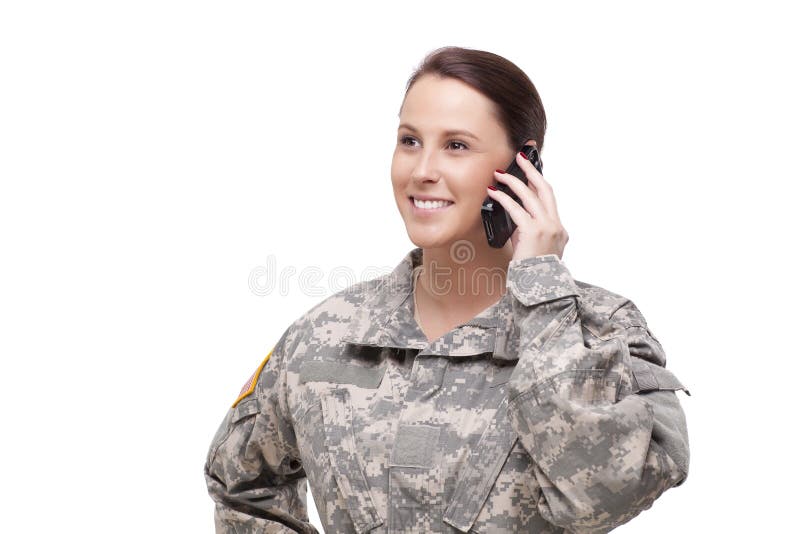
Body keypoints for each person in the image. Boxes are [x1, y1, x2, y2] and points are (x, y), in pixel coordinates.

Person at [203, 46, 690, 534]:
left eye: (456, 145)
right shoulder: (326, 333)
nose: (422, 171)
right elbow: (240, 484)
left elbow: (601, 497)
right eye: (410, 141)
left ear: (524, 166)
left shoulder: (602, 331)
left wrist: (543, 289)